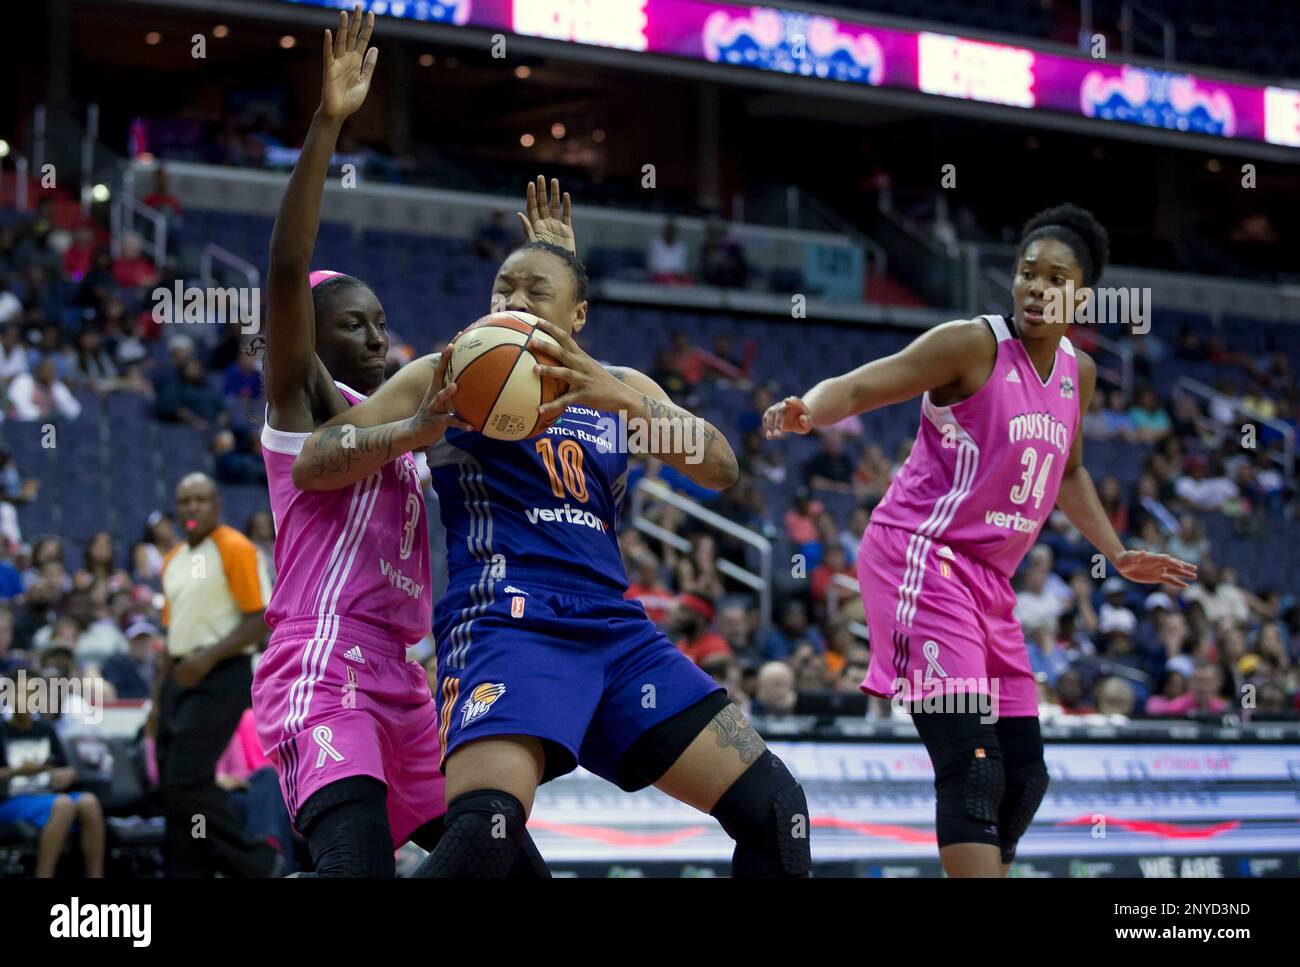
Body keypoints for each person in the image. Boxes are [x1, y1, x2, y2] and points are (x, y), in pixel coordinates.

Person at [294, 174, 811, 879]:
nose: (511, 302)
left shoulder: (619, 384)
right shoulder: (449, 374)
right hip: (508, 622)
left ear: (578, 316)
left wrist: (616, 393)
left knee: (779, 811)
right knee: (487, 833)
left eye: (536, 292)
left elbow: (719, 465)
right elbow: (316, 461)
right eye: (503, 288)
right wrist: (416, 428)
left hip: (617, 633)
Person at [764, 203, 1196, 877]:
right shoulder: (972, 343)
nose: (1034, 287)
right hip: (920, 556)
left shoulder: (1077, 374)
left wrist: (1116, 552)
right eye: (1027, 272)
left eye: (1055, 278)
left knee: (1024, 775)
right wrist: (810, 408)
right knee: (972, 767)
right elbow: (860, 385)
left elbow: (1071, 470)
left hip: (988, 585)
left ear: (1081, 295)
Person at [249, 6, 449, 878]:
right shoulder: (300, 406)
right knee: (357, 863)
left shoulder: (401, 422)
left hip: (407, 684)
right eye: (356, 325)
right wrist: (329, 123)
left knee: (504, 859)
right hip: (326, 662)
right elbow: (287, 266)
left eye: (383, 324)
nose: (378, 339)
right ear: (313, 336)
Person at [152, 473, 280, 877]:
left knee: (185, 777)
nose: (191, 508)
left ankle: (258, 861)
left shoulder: (235, 547)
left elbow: (259, 619)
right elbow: (173, 637)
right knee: (174, 789)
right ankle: (188, 870)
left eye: (200, 500)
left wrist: (205, 659)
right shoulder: (172, 560)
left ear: (217, 504)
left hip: (221, 672)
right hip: (180, 674)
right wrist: (157, 704)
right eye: (184, 501)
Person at [0, 668, 106, 877]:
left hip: (46, 795)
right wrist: (18, 771)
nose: (27, 698)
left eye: (33, 692)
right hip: (11, 800)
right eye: (21, 692)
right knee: (63, 804)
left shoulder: (46, 730)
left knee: (89, 802)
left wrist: (65, 775)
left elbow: (63, 767)